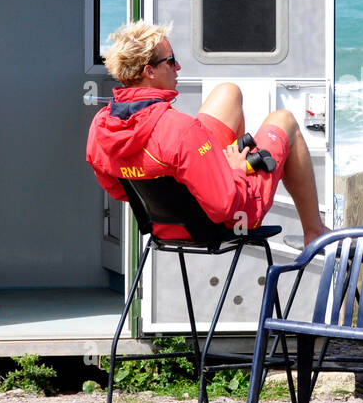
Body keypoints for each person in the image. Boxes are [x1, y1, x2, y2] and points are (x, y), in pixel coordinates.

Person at [86, 21, 329, 245]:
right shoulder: (181, 130)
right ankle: (314, 231)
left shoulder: (101, 126)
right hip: (225, 220)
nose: (178, 67)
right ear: (150, 71)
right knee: (284, 120)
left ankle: (215, 172)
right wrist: (236, 170)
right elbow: (224, 207)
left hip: (163, 225)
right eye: (171, 61)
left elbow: (119, 189)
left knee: (228, 92)